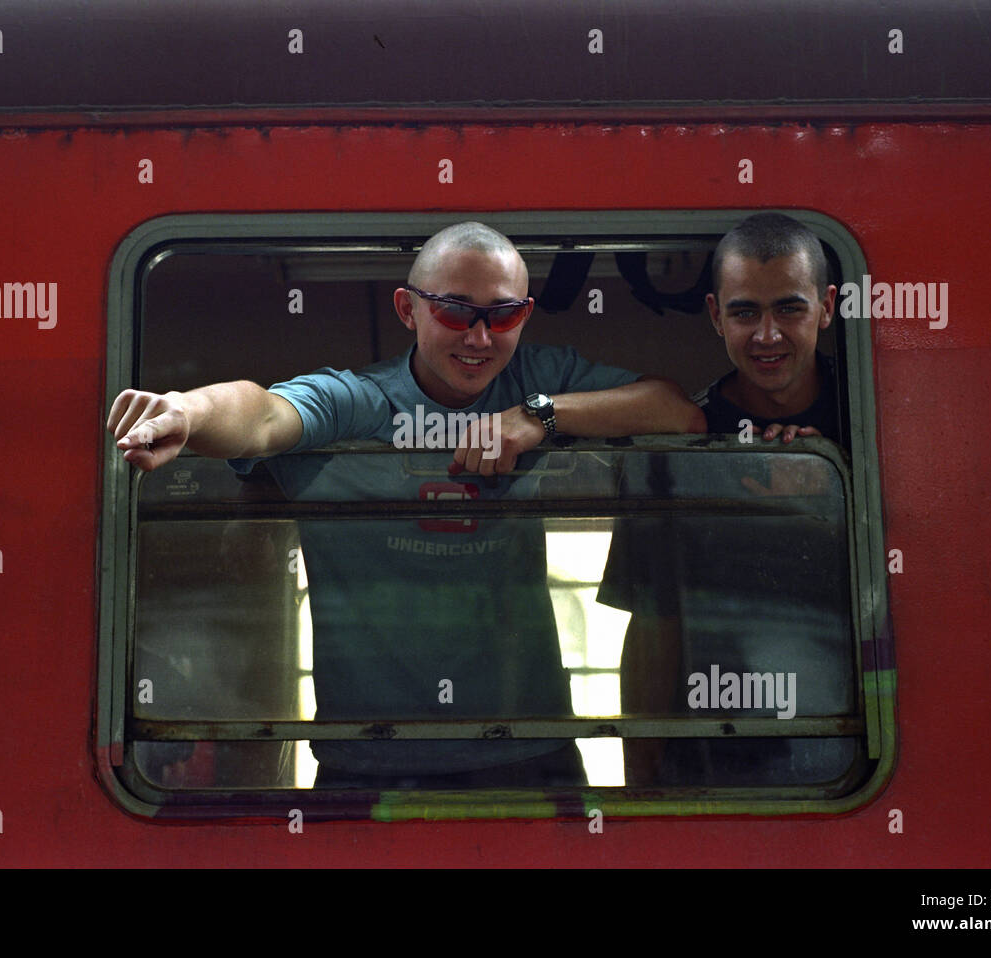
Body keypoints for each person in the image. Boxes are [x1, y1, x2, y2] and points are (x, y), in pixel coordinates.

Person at [108, 221, 705, 789]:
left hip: (532, 747)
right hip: (367, 757)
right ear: (408, 309)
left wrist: (537, 417)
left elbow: (676, 412)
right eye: (454, 311)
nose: (479, 339)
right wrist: (188, 412)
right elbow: (261, 412)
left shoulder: (538, 378)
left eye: (505, 315)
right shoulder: (361, 400)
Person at [598, 212, 844, 785]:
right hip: (711, 763)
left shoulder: (874, 424)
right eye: (744, 312)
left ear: (828, 306)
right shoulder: (676, 453)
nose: (766, 335)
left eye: (789, 307)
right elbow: (652, 631)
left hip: (854, 751)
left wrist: (834, 490)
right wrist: (642, 782)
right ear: (715, 315)